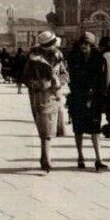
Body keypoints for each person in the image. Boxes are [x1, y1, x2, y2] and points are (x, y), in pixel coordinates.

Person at [22, 31, 69, 172]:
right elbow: (25, 78)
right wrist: (40, 84)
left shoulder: (58, 55)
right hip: (41, 96)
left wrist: (58, 82)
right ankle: (46, 159)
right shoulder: (33, 59)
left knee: (49, 129)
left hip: (55, 96)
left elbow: (65, 74)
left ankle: (45, 158)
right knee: (46, 130)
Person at [65, 32, 109, 171]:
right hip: (78, 97)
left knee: (95, 130)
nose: (84, 46)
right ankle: (80, 157)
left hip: (94, 98)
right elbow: (72, 77)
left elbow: (100, 78)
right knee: (78, 130)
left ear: (91, 45)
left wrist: (94, 92)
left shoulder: (98, 58)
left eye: (87, 43)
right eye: (82, 43)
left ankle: (98, 159)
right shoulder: (73, 57)